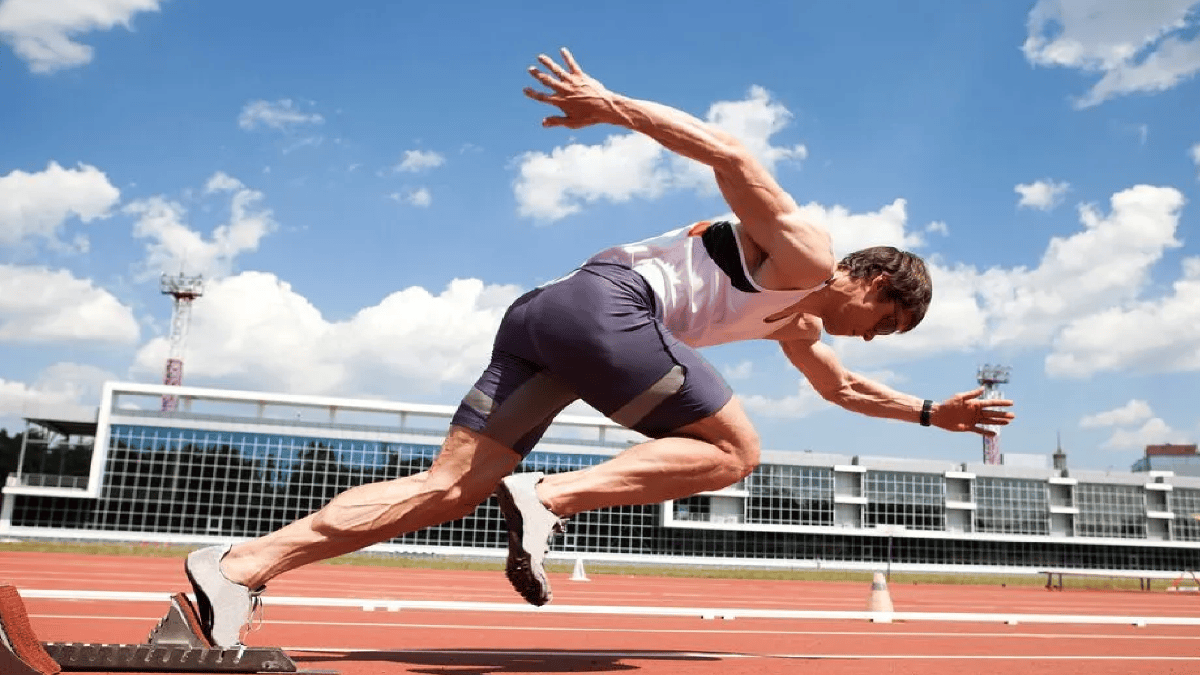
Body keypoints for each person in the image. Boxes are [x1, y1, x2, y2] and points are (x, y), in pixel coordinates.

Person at [184, 47, 1015, 646]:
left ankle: (243, 566)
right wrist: (609, 103)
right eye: (886, 323)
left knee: (449, 488)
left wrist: (930, 411)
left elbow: (839, 390)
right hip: (610, 306)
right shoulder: (806, 254)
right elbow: (730, 154)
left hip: (546, 318)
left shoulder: (794, 322)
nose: (873, 335)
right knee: (735, 449)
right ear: (876, 284)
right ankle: (551, 495)